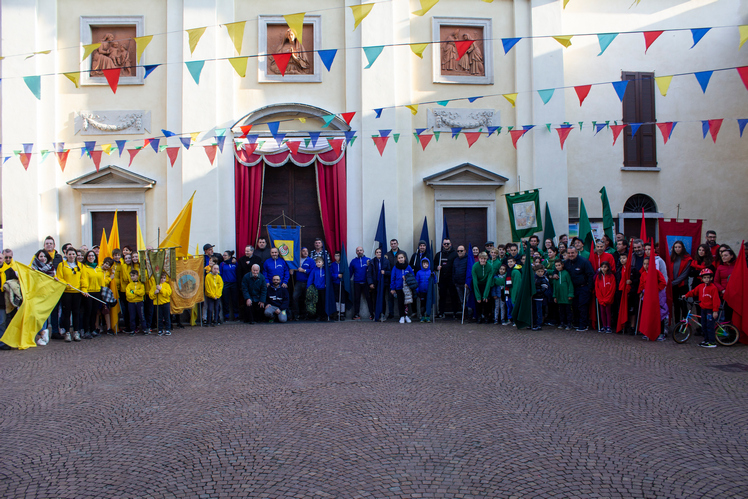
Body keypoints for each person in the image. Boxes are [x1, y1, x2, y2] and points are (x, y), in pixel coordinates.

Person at [55, 247, 89, 342]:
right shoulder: (61, 265)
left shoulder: (81, 266)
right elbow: (59, 277)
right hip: (66, 293)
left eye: (73, 254)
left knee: (76, 313)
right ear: (66, 255)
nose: (71, 256)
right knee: (66, 313)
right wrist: (65, 283)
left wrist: (84, 289)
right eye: (69, 254)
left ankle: (76, 332)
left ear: (76, 255)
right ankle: (67, 332)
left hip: (77, 293)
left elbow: (83, 279)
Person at [684, 269, 720, 348]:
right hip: (703, 309)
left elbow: (716, 300)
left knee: (709, 326)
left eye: (708, 277)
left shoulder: (713, 288)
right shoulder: (701, 286)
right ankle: (706, 340)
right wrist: (686, 295)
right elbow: (693, 292)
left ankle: (712, 341)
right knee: (703, 325)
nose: (706, 279)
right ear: (702, 279)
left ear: (711, 278)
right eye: (705, 278)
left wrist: (715, 311)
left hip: (710, 310)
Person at [564, 246, 594, 331]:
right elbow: (560, 269)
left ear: (576, 252)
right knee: (575, 306)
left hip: (583, 288)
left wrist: (589, 288)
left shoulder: (584, 262)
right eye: (569, 253)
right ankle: (576, 323)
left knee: (582, 307)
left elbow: (590, 275)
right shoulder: (567, 263)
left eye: (572, 253)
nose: (571, 255)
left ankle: (583, 325)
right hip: (573, 289)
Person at [31, 250, 58, 345]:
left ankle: (41, 337)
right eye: (41, 256)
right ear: (37, 257)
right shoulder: (33, 267)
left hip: (46, 294)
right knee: (36, 314)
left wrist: (55, 279)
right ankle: (42, 331)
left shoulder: (51, 268)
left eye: (44, 256)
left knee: (44, 315)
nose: (43, 258)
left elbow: (54, 280)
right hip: (36, 294)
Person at [638, 257, 668, 341]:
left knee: (660, 315)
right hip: (647, 297)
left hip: (657, 297)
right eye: (644, 264)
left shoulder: (657, 273)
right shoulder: (643, 274)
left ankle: (661, 333)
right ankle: (648, 332)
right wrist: (642, 291)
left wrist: (655, 290)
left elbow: (663, 283)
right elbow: (641, 284)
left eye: (648, 264)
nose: (646, 266)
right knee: (648, 314)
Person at [80, 250, 102, 339]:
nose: (91, 257)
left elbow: (102, 281)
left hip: (97, 292)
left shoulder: (98, 268)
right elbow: (83, 279)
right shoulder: (84, 268)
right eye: (89, 256)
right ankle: (86, 330)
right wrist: (84, 290)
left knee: (94, 312)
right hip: (88, 293)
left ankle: (93, 329)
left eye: (92, 256)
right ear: (86, 257)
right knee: (87, 312)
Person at [669, 241, 693, 323]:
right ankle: (677, 323)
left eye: (679, 247)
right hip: (674, 285)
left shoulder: (688, 259)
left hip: (683, 285)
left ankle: (685, 324)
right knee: (676, 305)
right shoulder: (671, 258)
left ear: (682, 248)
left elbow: (685, 273)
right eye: (675, 247)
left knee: (683, 305)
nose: (677, 249)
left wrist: (674, 282)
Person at [435, 239, 458, 320]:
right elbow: (434, 265)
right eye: (445, 244)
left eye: (448, 244)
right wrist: (436, 267)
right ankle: (441, 312)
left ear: (450, 244)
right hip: (442, 279)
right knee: (442, 296)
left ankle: (455, 313)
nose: (446, 245)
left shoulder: (455, 254)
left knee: (453, 296)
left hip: (452, 279)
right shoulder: (439, 254)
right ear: (442, 244)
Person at [385, 239, 407, 319]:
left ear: (397, 244)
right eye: (392, 244)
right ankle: (391, 313)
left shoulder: (403, 253)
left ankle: (404, 314)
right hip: (390, 279)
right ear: (390, 245)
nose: (393, 245)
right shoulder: (387, 255)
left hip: (401, 280)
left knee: (403, 298)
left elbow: (406, 265)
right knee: (390, 297)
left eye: (395, 243)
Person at [714, 246, 737, 323]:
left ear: (732, 256)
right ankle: (725, 330)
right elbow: (716, 281)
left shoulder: (737, 266)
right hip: (724, 294)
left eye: (726, 255)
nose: (723, 257)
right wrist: (722, 290)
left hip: (735, 294)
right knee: (725, 313)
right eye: (722, 255)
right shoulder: (720, 267)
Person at [367, 247, 390, 322]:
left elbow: (390, 272)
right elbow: (369, 273)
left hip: (383, 283)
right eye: (377, 252)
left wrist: (385, 273)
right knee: (375, 299)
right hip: (375, 282)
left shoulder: (386, 261)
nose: (379, 254)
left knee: (382, 298)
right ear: (375, 253)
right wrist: (370, 283)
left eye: (380, 252)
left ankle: (382, 314)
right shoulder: (372, 262)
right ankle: (375, 314)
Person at [390, 252, 413, 324]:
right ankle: (402, 316)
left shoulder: (408, 267)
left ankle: (406, 315)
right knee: (400, 302)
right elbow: (392, 278)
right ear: (397, 259)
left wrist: (407, 278)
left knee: (407, 302)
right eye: (399, 258)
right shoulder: (395, 267)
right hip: (399, 287)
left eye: (402, 258)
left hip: (407, 288)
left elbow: (412, 276)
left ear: (404, 258)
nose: (401, 259)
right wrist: (392, 288)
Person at [350, 247, 372, 320]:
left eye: (360, 250)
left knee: (369, 298)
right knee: (357, 299)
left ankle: (372, 313)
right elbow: (350, 272)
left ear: (363, 251)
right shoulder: (353, 261)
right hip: (357, 283)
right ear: (356, 252)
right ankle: (356, 314)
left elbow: (372, 271)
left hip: (366, 283)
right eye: (358, 251)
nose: (359, 252)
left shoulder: (368, 260)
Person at [292, 247, 313, 320]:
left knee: (306, 298)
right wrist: (292, 272)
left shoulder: (310, 260)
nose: (305, 252)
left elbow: (313, 271)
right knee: (295, 297)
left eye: (306, 251)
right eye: (303, 251)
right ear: (300, 252)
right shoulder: (297, 260)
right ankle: (296, 314)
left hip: (307, 282)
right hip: (298, 282)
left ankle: (306, 314)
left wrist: (304, 270)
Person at [594, 261, 616, 333]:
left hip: (608, 298)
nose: (603, 269)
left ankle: (609, 326)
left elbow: (612, 288)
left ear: (608, 268)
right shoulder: (598, 276)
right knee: (602, 312)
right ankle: (604, 326)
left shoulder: (611, 276)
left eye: (605, 267)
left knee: (608, 312)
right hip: (601, 298)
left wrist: (608, 298)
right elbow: (597, 288)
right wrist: (600, 298)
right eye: (602, 267)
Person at [552, 260, 574, 330]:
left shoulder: (566, 273)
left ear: (562, 265)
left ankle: (569, 323)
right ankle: (562, 322)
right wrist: (554, 296)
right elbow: (555, 286)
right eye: (556, 266)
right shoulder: (556, 275)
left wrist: (570, 294)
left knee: (568, 311)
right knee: (561, 311)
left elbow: (570, 284)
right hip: (559, 296)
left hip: (566, 296)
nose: (558, 267)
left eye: (559, 265)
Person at [472, 252, 492, 324]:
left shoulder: (489, 266)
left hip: (486, 285)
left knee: (486, 301)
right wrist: (478, 296)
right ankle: (479, 316)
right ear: (479, 259)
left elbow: (489, 280)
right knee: (478, 302)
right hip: (478, 285)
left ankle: (486, 316)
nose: (483, 260)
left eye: (484, 259)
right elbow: (474, 281)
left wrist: (485, 295)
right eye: (481, 259)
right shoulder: (475, 266)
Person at [125, 269, 147, 335]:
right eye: (131, 276)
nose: (132, 277)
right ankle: (132, 329)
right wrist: (136, 295)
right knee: (132, 317)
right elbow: (128, 294)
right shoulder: (129, 285)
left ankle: (144, 329)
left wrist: (134, 292)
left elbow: (142, 292)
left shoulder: (141, 285)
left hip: (139, 302)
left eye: (133, 276)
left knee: (142, 316)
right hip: (131, 303)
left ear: (137, 276)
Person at [220, 251, 239, 322]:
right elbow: (220, 274)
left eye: (225, 255)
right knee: (226, 301)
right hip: (225, 284)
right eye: (223, 255)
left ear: (229, 256)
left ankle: (236, 316)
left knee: (235, 300)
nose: (223, 256)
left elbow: (238, 272)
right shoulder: (222, 264)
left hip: (234, 283)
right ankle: (226, 316)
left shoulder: (234, 263)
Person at [452, 246, 469, 318]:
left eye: (461, 251)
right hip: (458, 284)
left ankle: (469, 314)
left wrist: (468, 282)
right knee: (461, 300)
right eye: (458, 251)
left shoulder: (468, 259)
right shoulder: (455, 260)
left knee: (467, 300)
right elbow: (453, 271)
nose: (459, 252)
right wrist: (454, 281)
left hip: (466, 284)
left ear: (465, 251)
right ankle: (464, 314)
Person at [532, 264, 550, 331]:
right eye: (538, 271)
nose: (540, 273)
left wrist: (535, 291)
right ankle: (533, 323)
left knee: (539, 311)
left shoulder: (543, 279)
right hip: (534, 297)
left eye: (541, 271)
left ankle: (539, 324)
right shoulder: (534, 278)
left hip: (539, 297)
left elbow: (544, 289)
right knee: (534, 310)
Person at [416, 258, 433, 322]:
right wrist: (417, 290)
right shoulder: (419, 272)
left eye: (426, 264)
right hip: (421, 291)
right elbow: (417, 281)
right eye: (424, 264)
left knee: (428, 304)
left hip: (429, 292)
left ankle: (428, 316)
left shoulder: (431, 272)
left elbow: (434, 281)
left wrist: (433, 276)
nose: (425, 265)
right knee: (422, 304)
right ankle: (422, 316)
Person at [331, 251, 345, 321]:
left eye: (338, 256)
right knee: (336, 298)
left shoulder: (343, 264)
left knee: (342, 298)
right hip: (335, 283)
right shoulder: (333, 265)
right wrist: (337, 275)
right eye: (336, 256)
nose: (337, 257)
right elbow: (331, 274)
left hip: (342, 283)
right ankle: (337, 312)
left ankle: (342, 312)